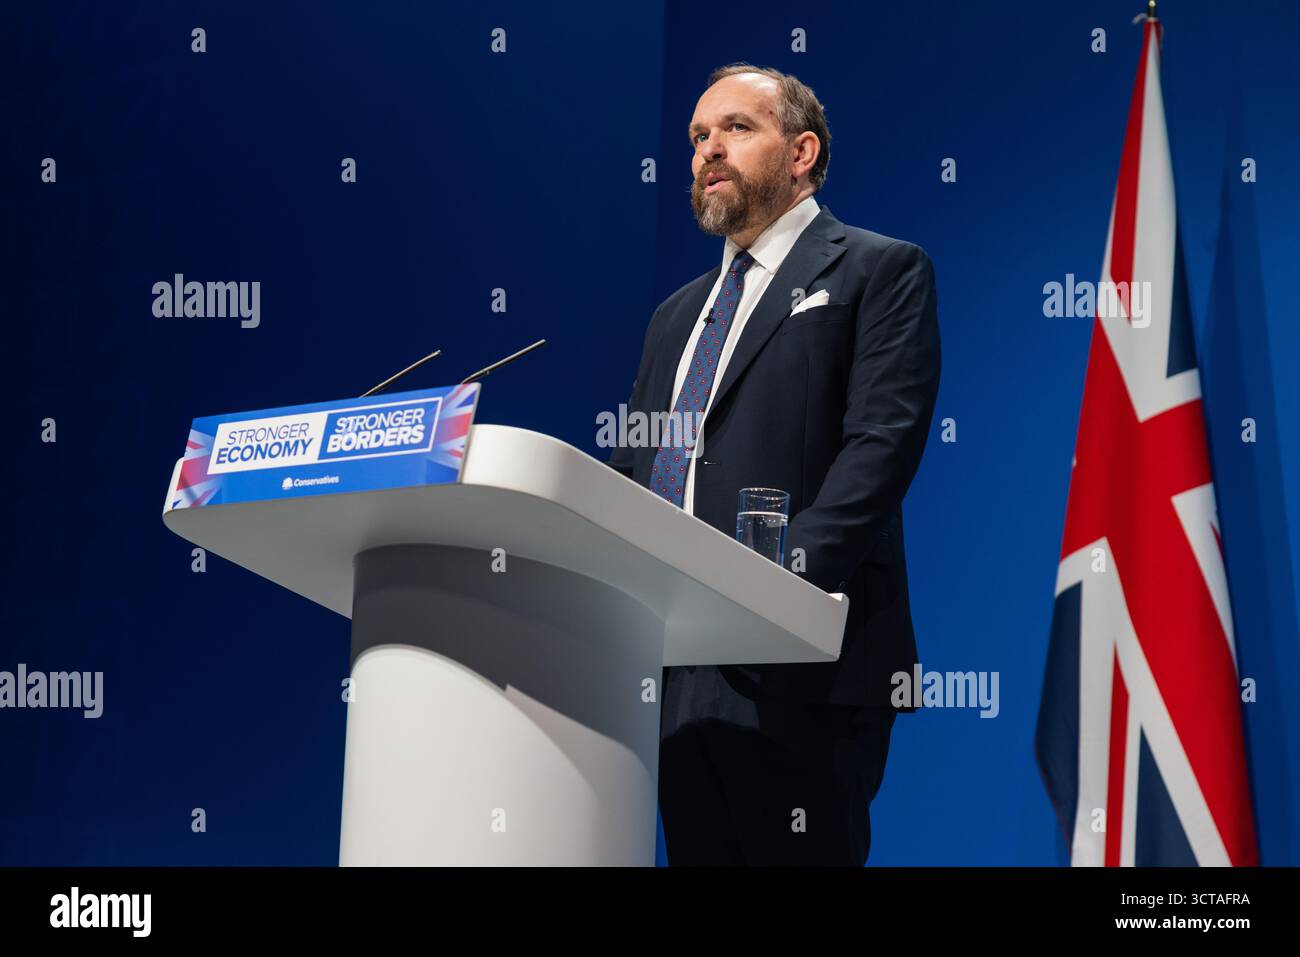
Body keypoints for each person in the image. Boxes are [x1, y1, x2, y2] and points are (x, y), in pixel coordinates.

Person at [607, 62, 941, 865]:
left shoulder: (876, 271)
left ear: (801, 152)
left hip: (799, 660)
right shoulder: (675, 315)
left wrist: (770, 588)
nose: (706, 150)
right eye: (696, 137)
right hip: (673, 662)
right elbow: (634, 469)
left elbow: (880, 448)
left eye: (734, 129)